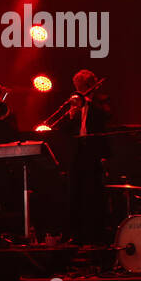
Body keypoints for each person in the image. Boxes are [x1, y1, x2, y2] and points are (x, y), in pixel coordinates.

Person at [53, 69, 111, 245]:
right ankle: (75, 235)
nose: (77, 91)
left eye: (80, 87)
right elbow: (63, 132)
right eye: (75, 87)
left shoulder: (101, 102)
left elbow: (106, 117)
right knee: (74, 194)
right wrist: (71, 116)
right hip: (77, 155)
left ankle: (93, 237)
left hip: (94, 155)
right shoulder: (74, 105)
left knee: (91, 195)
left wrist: (87, 103)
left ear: (89, 87)